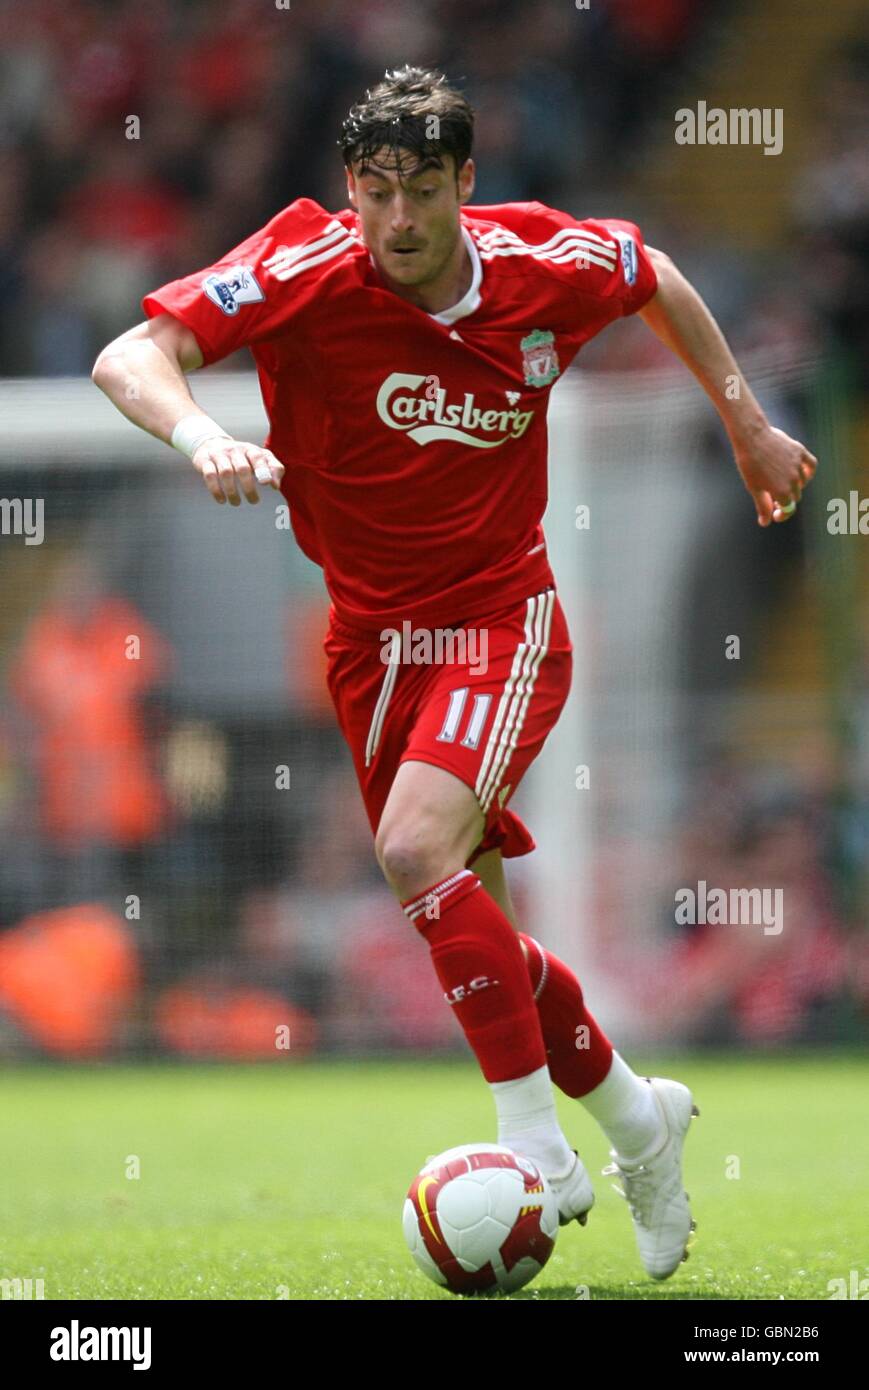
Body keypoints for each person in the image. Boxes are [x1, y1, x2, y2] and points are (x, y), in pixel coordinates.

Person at [92, 66, 817, 1280]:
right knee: (476, 935)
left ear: (463, 184)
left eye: (420, 191)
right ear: (349, 189)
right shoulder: (302, 269)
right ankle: (641, 1119)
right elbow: (131, 353)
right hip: (368, 642)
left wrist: (743, 420)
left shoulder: (543, 265)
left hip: (498, 617)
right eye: (372, 192)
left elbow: (657, 278)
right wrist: (203, 431)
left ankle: (534, 1150)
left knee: (416, 852)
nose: (395, 221)